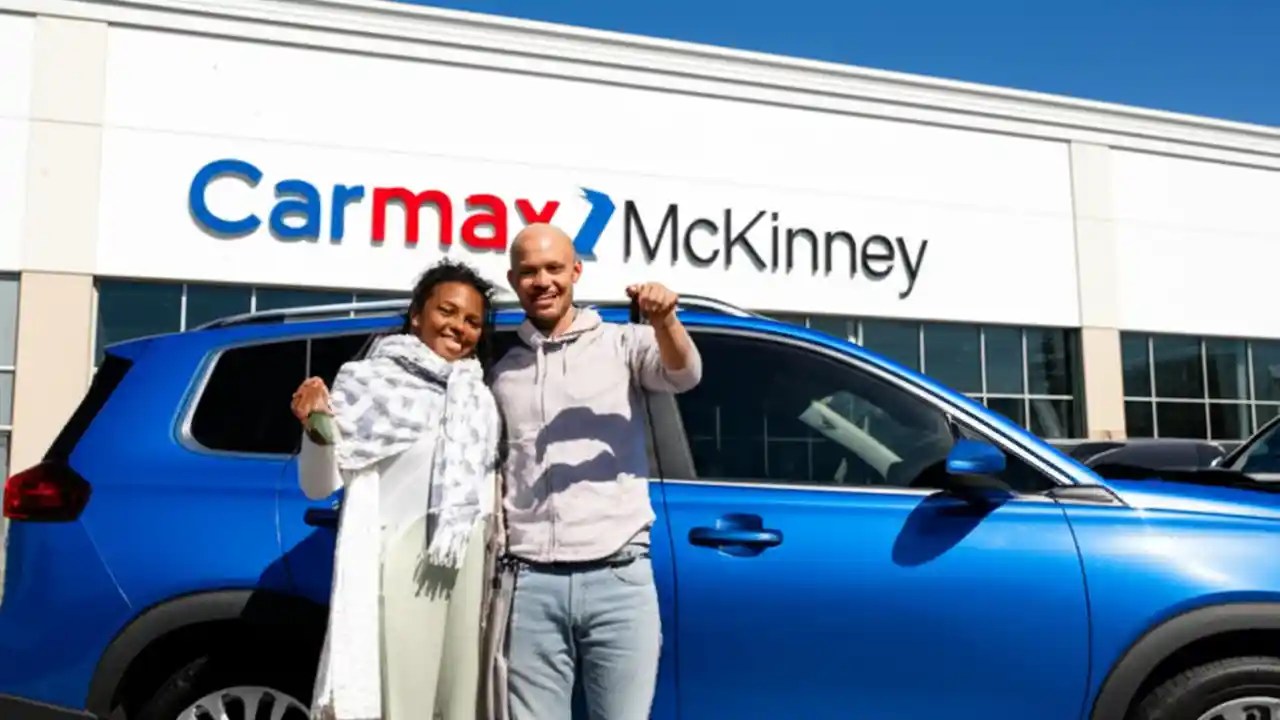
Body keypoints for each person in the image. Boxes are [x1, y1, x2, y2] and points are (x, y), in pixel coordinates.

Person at [488, 223, 703, 720]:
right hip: (529, 583)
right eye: (528, 272)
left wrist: (666, 319)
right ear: (514, 280)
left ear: (576, 271)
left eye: (554, 268)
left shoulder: (623, 344)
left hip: (617, 577)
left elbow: (683, 374)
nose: (542, 281)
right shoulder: (502, 369)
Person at [289, 259, 505, 720]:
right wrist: (316, 428)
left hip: (464, 565)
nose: (459, 328)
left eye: (472, 321)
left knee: (458, 704)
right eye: (447, 311)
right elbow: (318, 484)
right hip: (401, 562)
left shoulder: (479, 396)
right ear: (417, 315)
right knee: (402, 704)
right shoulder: (368, 381)